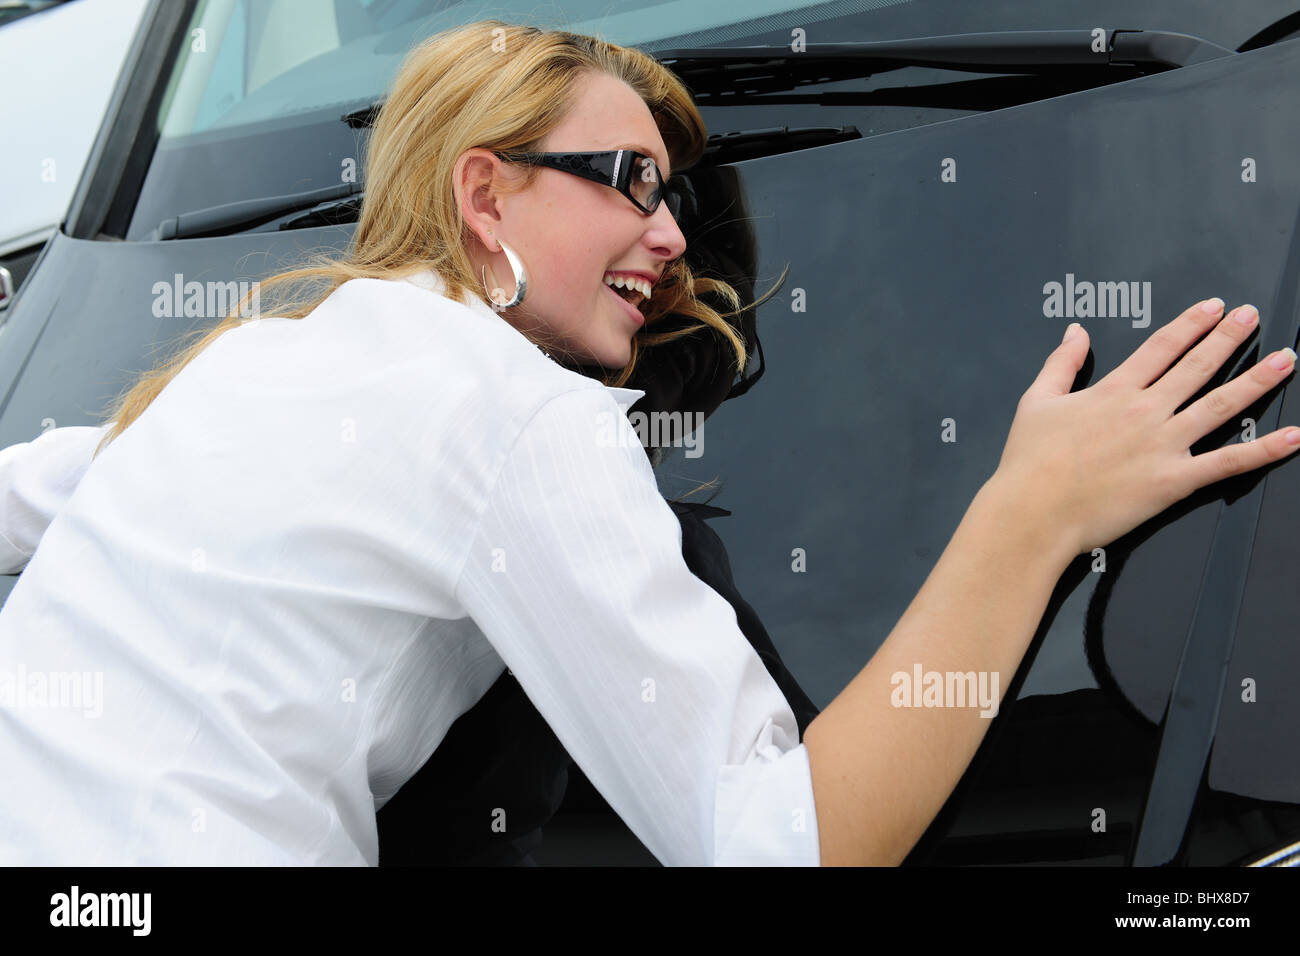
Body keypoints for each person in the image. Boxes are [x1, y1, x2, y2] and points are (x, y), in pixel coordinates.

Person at [1, 19, 1297, 866]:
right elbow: (778, 849)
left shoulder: (251, 364)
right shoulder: (513, 411)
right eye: (627, 181)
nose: (671, 235)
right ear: (484, 192)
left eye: (672, 195)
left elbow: (36, 494)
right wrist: (1032, 513)